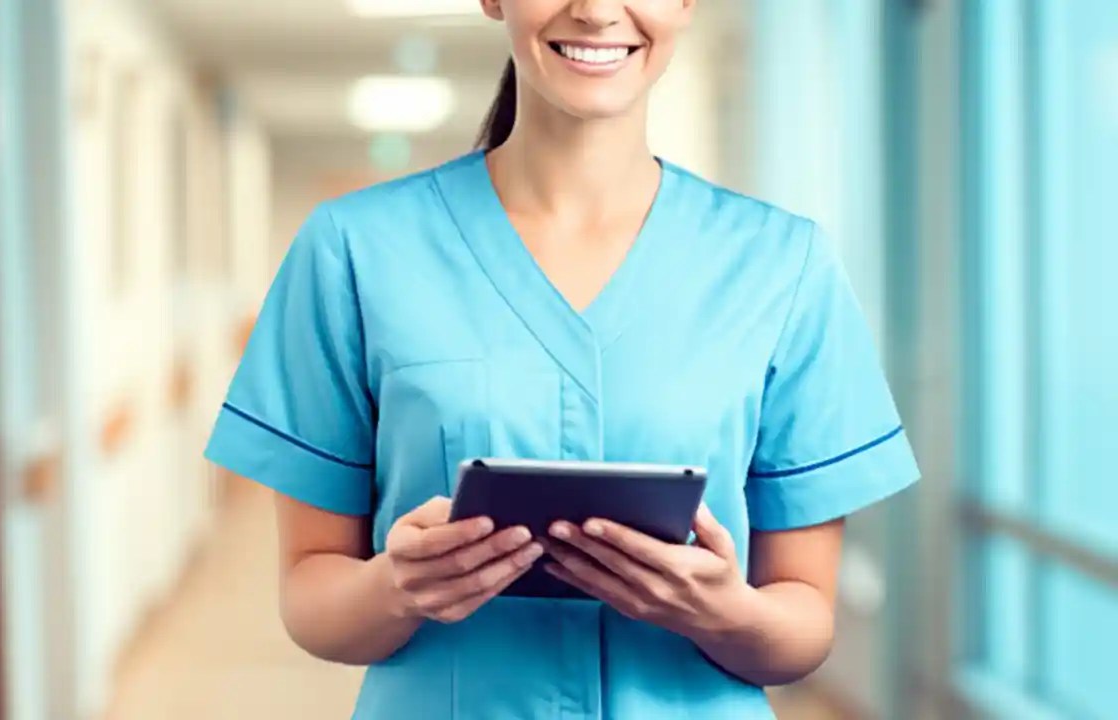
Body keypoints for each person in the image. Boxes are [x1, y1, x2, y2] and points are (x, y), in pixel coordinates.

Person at [204, 0, 920, 717]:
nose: (597, 11)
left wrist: (723, 611)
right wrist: (398, 586)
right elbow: (310, 596)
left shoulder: (781, 265)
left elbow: (803, 623)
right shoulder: (354, 251)